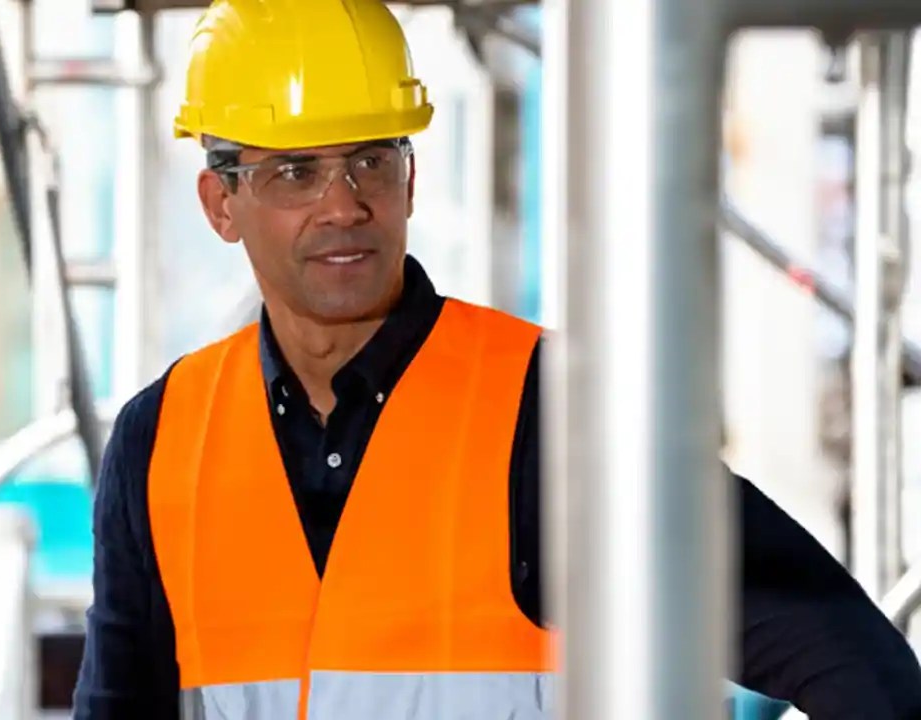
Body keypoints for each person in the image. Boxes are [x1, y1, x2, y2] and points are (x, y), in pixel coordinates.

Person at [73, 1, 921, 717]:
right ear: (221, 202)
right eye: (295, 172)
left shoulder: (551, 410)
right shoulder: (160, 441)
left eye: (372, 159)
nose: (344, 205)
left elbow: (857, 669)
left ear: (409, 179)